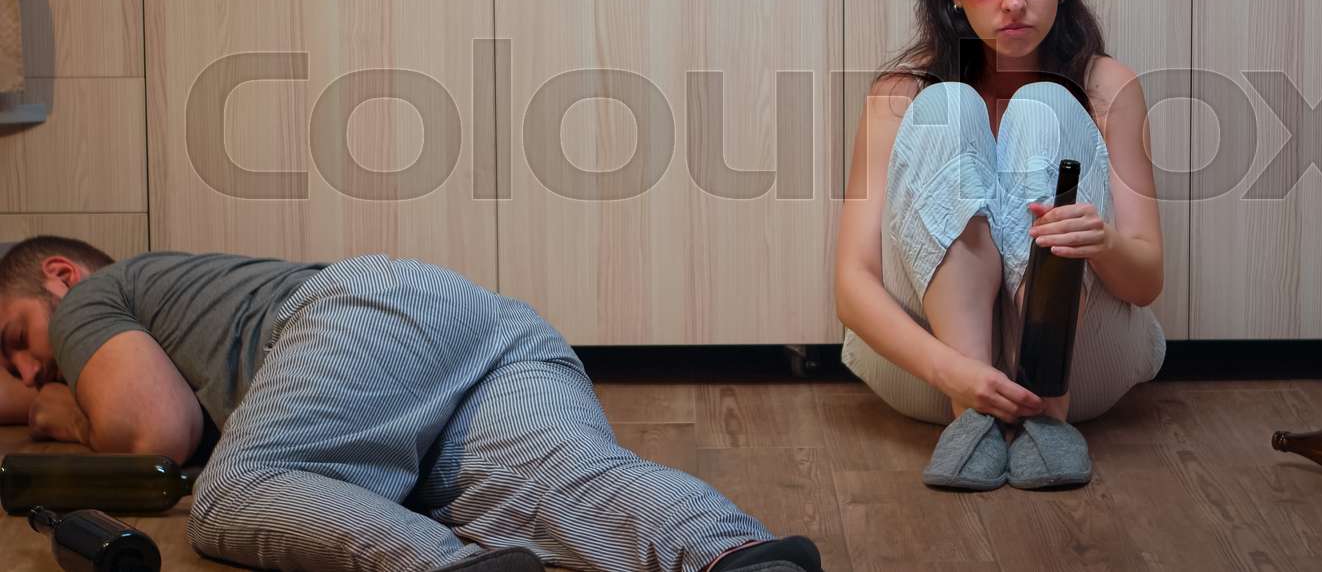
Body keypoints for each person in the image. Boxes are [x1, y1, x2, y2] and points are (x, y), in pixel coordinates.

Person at [0, 236, 825, 572]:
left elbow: (154, 432)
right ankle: (735, 555)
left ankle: (446, 570)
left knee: (228, 498)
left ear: (61, 276)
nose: (30, 369)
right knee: (564, 481)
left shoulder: (92, 298)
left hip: (365, 315)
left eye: (17, 340)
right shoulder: (165, 304)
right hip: (481, 333)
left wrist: (51, 414)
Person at [833, 0, 1168, 492]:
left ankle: (1045, 417)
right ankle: (976, 419)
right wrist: (956, 373)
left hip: (1074, 372)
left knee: (1047, 104)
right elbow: (852, 287)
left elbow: (1146, 280)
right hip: (935, 375)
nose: (1013, 1)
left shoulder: (1108, 87)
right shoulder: (899, 97)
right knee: (946, 105)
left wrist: (1102, 241)